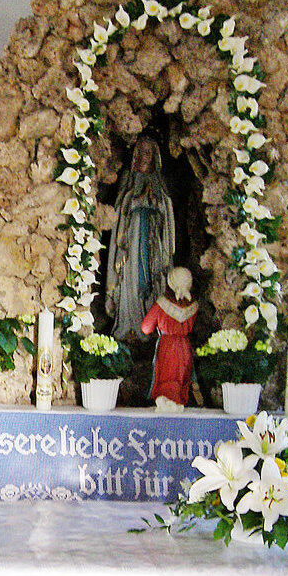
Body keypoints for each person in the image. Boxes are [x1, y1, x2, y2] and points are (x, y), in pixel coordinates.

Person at [106, 135, 176, 339]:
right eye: (142, 152)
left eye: (149, 152)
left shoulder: (158, 181)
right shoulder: (128, 178)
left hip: (152, 239)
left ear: (155, 157)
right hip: (131, 238)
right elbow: (120, 208)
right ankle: (129, 321)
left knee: (152, 276)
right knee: (130, 277)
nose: (145, 157)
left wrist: (156, 204)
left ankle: (151, 323)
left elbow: (167, 210)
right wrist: (134, 203)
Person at [139, 266, 198, 407]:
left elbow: (145, 328)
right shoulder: (194, 306)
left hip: (167, 347)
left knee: (167, 381)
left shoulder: (162, 304)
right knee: (181, 379)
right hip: (185, 348)